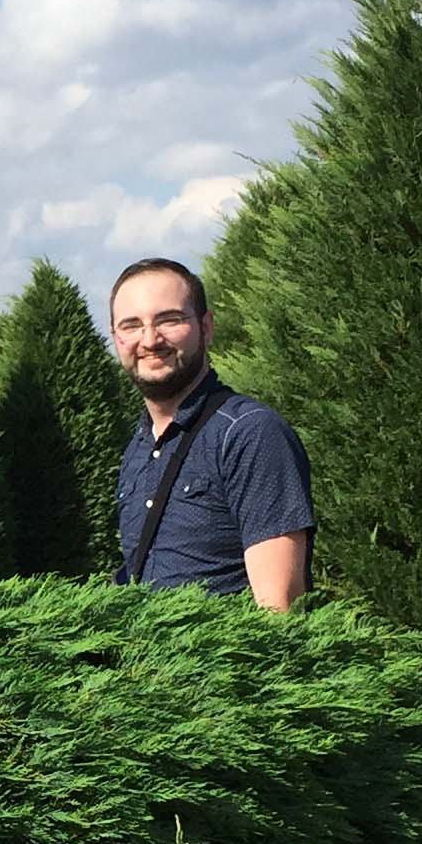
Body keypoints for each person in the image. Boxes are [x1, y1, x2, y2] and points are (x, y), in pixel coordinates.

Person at [106, 257, 314, 608]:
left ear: (206, 327)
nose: (150, 339)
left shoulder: (249, 434)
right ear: (115, 337)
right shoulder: (138, 448)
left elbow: (280, 608)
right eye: (131, 325)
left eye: (169, 320)